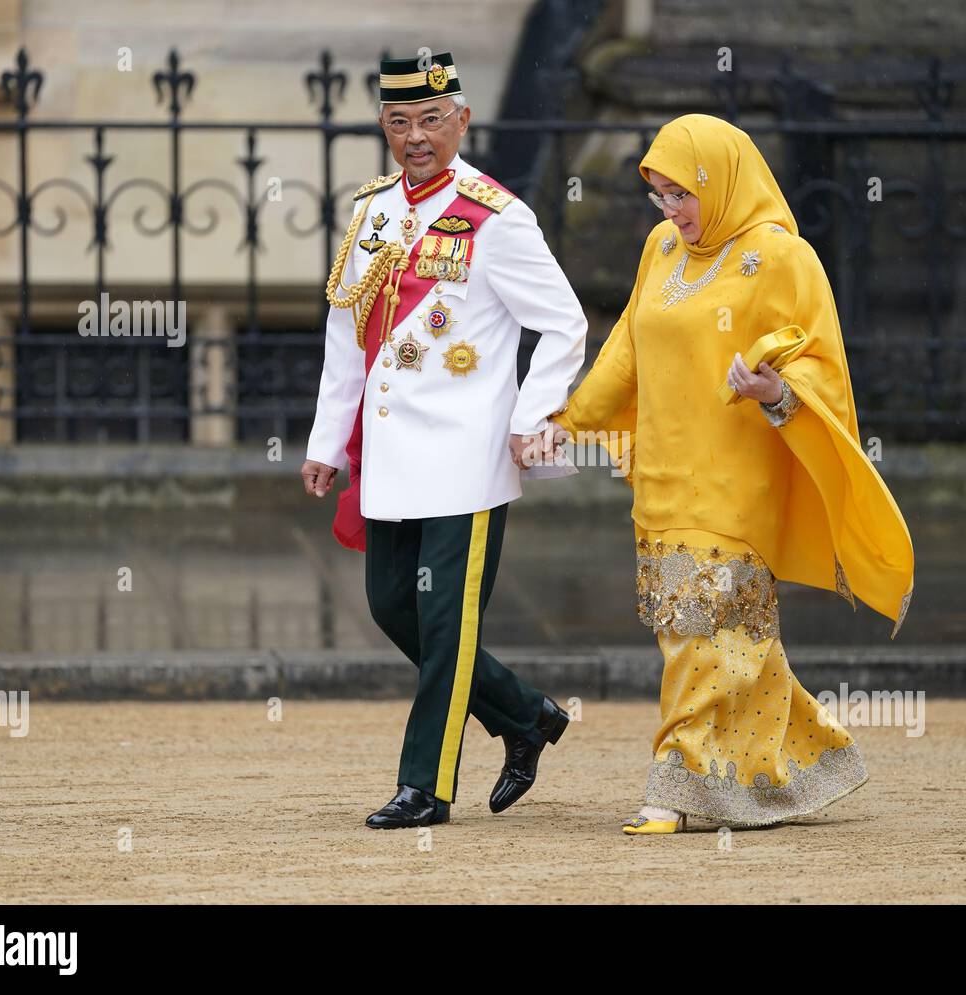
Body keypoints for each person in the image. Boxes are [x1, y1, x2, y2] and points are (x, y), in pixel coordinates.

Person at [551, 113, 914, 834]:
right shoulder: (660, 247)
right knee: (725, 636)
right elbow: (627, 342)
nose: (672, 211)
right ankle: (795, 761)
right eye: (659, 195)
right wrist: (567, 425)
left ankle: (673, 785)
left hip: (738, 479)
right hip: (662, 473)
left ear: (719, 181)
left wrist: (773, 391)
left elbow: (819, 366)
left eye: (682, 194)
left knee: (701, 628)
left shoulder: (782, 258)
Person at [301, 52, 587, 829]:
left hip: (466, 458)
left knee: (443, 624)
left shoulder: (499, 216)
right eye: (400, 122)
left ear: (462, 121)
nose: (416, 136)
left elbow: (563, 322)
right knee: (394, 606)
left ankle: (425, 784)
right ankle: (526, 716)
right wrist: (328, 440)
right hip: (391, 459)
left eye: (432, 119)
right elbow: (345, 335)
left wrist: (533, 418)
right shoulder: (372, 213)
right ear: (384, 129)